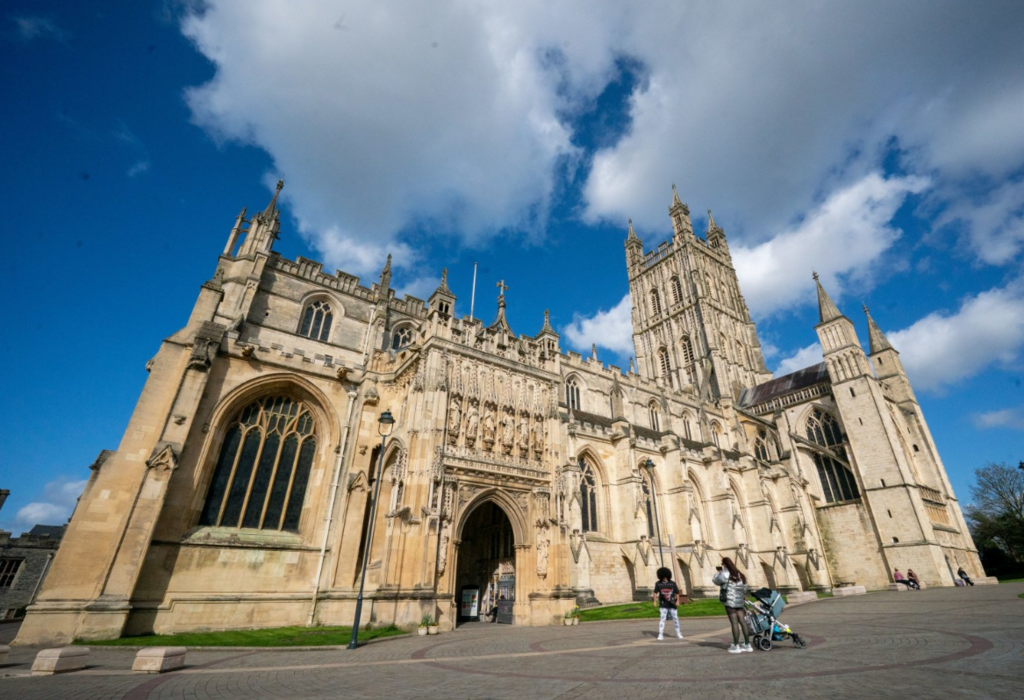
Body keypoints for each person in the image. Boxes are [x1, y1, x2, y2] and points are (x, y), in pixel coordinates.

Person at [712, 557, 751, 653]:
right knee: (742, 622)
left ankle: (736, 646)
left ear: (725, 564)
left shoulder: (725, 573)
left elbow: (715, 580)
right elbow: (745, 589)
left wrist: (719, 572)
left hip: (730, 601)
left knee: (734, 623)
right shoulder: (740, 575)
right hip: (740, 602)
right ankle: (747, 644)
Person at [652, 566, 683, 641]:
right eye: (663, 577)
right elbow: (655, 593)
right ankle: (660, 634)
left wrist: (678, 601)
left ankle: (678, 633)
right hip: (663, 604)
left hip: (672, 603)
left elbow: (677, 593)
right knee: (662, 619)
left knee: (675, 619)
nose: (664, 578)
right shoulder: (658, 584)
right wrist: (655, 601)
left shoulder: (672, 583)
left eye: (665, 577)